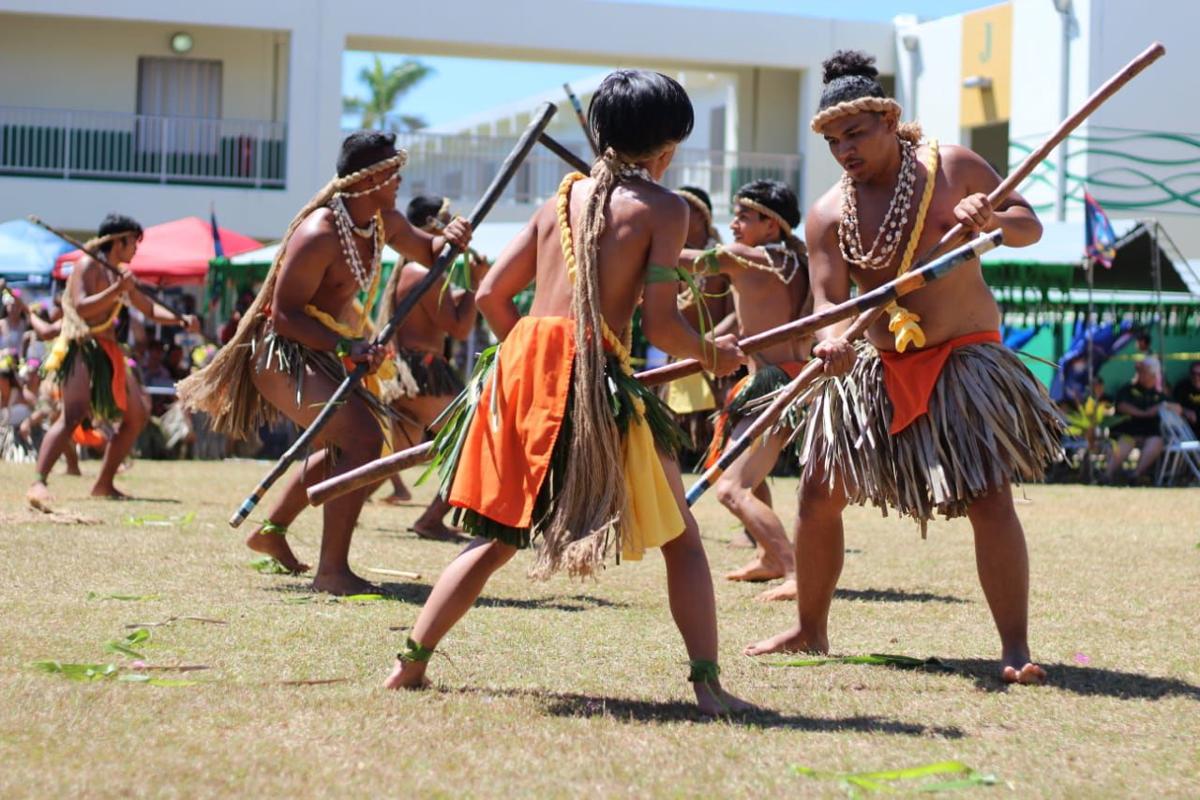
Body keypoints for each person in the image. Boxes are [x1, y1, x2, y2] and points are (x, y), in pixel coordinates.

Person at [383, 70, 751, 715]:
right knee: (683, 539)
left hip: (527, 368)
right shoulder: (664, 209)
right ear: (669, 146)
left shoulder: (559, 202)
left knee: (496, 538)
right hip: (592, 377)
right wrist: (713, 354)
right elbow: (662, 324)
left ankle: (409, 665)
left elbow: (496, 296)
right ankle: (708, 684)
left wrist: (529, 355)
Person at [744, 51, 1061, 685]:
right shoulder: (829, 212)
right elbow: (832, 298)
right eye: (834, 141)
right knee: (817, 493)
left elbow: (1030, 226)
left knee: (989, 497)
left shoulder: (953, 168)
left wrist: (992, 221)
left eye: (855, 133)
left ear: (890, 120)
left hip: (964, 359)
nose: (844, 150)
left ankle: (1015, 647)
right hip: (879, 363)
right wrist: (832, 341)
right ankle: (811, 629)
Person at [178, 132, 471, 594]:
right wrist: (347, 346)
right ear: (370, 178)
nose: (399, 181)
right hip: (283, 351)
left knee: (346, 442)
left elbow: (429, 253)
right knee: (361, 436)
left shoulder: (384, 221)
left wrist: (451, 239)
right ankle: (332, 572)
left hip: (329, 349)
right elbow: (285, 314)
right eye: (392, 173)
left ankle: (272, 532)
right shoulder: (319, 234)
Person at [679, 180, 813, 594]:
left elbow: (686, 259)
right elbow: (743, 326)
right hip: (793, 378)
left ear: (772, 226)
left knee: (732, 488)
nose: (734, 224)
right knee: (752, 478)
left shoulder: (744, 259)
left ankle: (794, 570)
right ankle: (769, 558)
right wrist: (698, 350)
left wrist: (640, 230)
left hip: (771, 386)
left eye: (744, 216)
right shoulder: (793, 263)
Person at [26, 215, 200, 509]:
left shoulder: (119, 273)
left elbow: (148, 307)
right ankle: (38, 482)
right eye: (133, 241)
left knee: (137, 415)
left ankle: (103, 483)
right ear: (118, 240)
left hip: (109, 349)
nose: (135, 249)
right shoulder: (87, 266)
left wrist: (180, 319)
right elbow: (81, 307)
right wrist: (117, 290)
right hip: (80, 345)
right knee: (73, 414)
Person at [373, 195, 488, 537]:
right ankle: (430, 520)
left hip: (412, 373)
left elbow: (445, 315)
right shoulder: (421, 270)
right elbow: (459, 327)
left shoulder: (416, 270)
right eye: (448, 220)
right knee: (475, 438)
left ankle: (301, 511)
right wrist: (476, 284)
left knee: (385, 459)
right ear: (431, 228)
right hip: (422, 375)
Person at [1105, 357, 1177, 483]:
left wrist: (1166, 406)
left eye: (1144, 371)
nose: (1140, 373)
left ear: (1154, 374)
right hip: (1129, 432)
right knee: (1126, 442)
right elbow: (1122, 405)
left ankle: (1135, 475)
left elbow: (1177, 408)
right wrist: (1145, 413)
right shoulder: (1128, 389)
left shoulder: (1159, 394)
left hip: (1151, 434)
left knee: (1156, 441)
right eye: (1139, 370)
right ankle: (1107, 476)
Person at [1172, 359, 1200, 438]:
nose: (1196, 377)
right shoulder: (1182, 387)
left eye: (1199, 374)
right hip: (1187, 430)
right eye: (1193, 374)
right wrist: (1184, 410)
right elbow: (1171, 405)